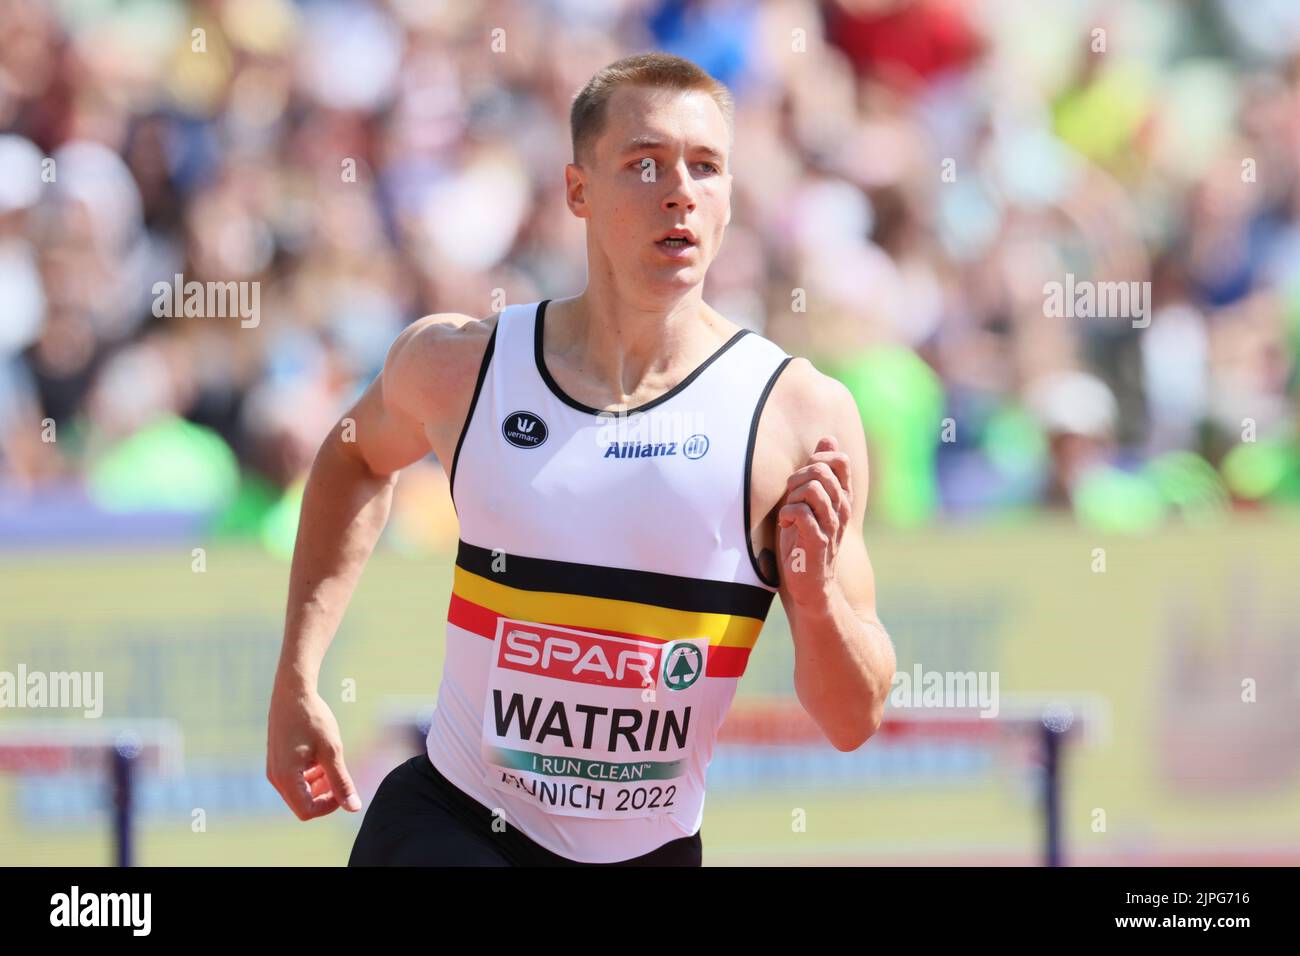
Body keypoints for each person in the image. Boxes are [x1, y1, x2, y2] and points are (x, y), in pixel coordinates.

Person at [266, 52, 896, 866]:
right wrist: (297, 675)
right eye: (644, 164)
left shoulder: (796, 413)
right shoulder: (465, 366)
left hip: (650, 851)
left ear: (731, 197)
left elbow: (854, 720)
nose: (680, 191)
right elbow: (354, 459)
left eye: (706, 167)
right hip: (456, 826)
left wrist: (814, 605)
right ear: (578, 192)